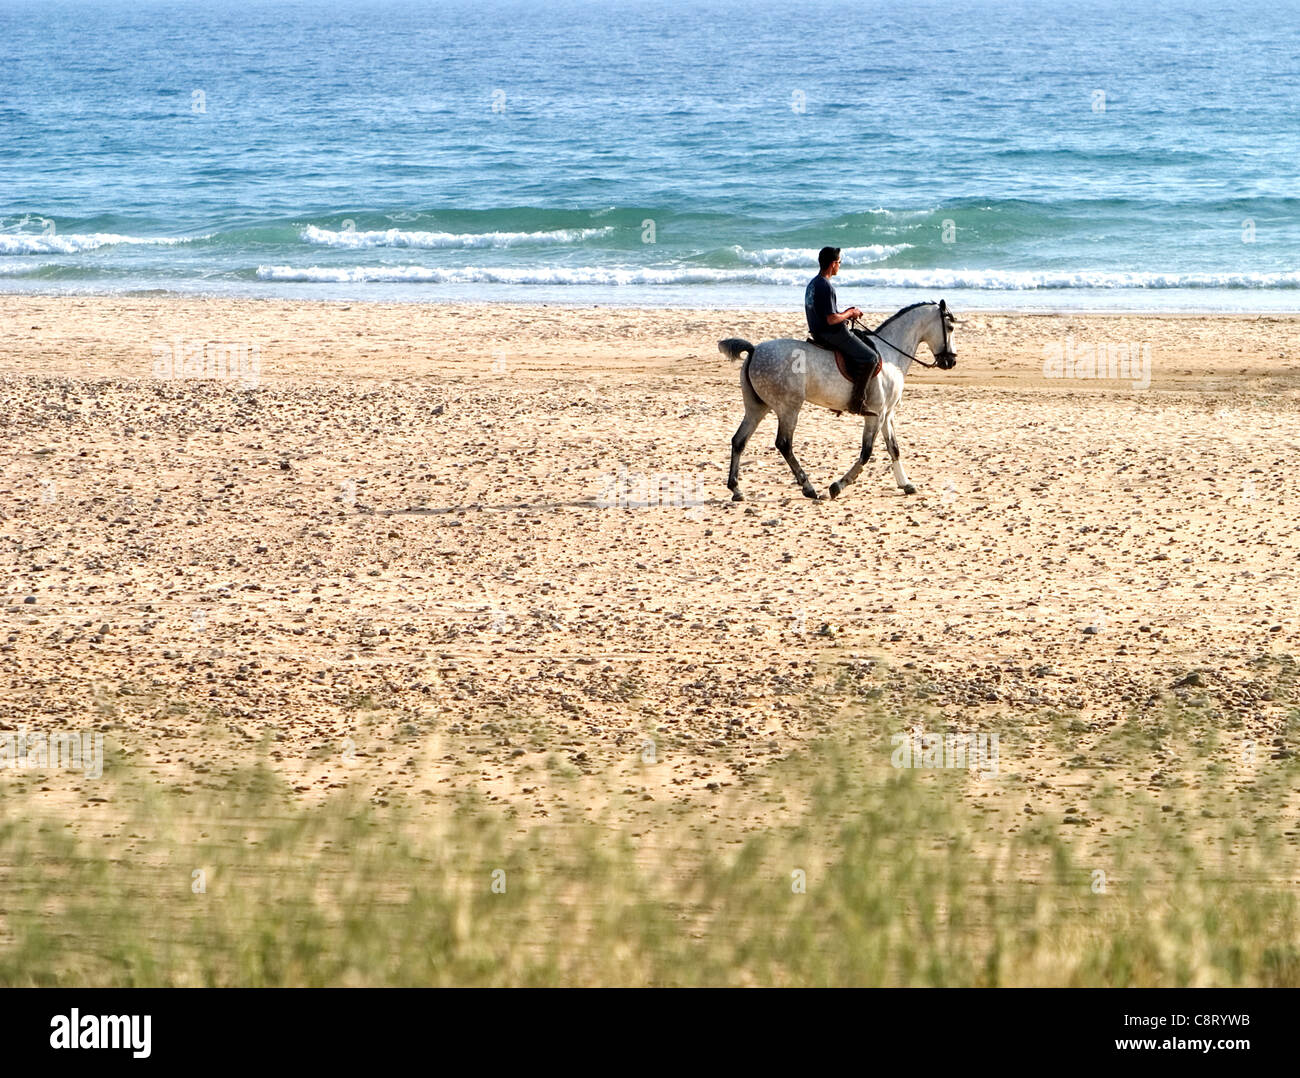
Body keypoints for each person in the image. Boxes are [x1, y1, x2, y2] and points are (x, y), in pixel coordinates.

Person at [805, 246, 880, 414]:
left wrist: (845, 314)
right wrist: (850, 313)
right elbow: (831, 319)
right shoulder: (826, 286)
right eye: (839, 262)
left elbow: (827, 314)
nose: (840, 265)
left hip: (818, 332)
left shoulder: (813, 283)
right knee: (871, 357)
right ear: (833, 264)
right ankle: (856, 402)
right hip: (830, 333)